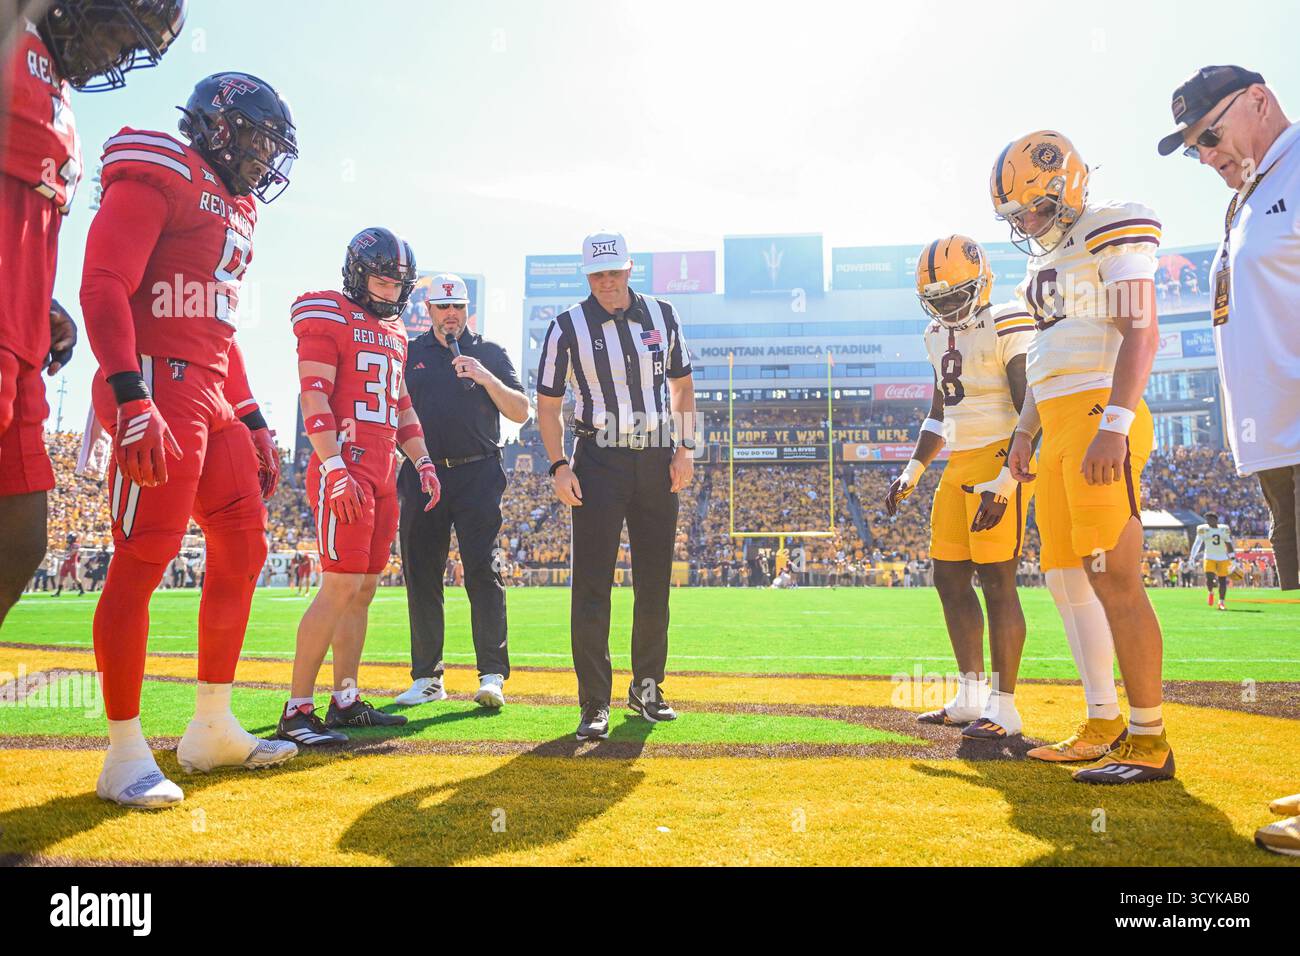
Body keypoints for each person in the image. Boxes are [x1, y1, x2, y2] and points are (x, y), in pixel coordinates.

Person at [78, 71, 298, 807]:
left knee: (246, 543)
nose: (267, 161)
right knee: (146, 556)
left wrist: (255, 416)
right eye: (262, 141)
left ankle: (211, 726)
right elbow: (104, 281)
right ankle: (123, 752)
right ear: (221, 125)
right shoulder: (159, 168)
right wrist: (126, 392)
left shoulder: (238, 208)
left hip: (209, 385)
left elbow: (218, 323)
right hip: (151, 377)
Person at [991, 129, 1172, 783]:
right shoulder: (1047, 265)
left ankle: (1149, 740)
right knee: (1068, 578)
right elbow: (1048, 359)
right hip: (1062, 424)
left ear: (1062, 186)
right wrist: (1024, 433)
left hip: (1101, 414)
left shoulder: (1109, 227)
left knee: (1115, 578)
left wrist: (1115, 426)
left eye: (1030, 208)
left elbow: (1141, 330)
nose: (1025, 223)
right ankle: (1103, 721)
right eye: (1015, 215)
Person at [0, 0, 185, 630]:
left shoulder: (58, 93)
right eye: (115, 28)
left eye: (134, 44)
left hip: (22, 342)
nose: (117, 53)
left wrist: (38, 300)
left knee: (21, 542)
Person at [274, 228, 441, 747]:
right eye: (381, 280)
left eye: (398, 284)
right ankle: (297, 709)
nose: (389, 292)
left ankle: (344, 699)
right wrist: (333, 467)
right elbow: (314, 397)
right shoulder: (327, 312)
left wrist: (424, 461)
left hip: (384, 471)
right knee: (340, 585)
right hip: (344, 465)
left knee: (364, 590)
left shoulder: (394, 334)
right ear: (355, 271)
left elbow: (402, 406)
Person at [535, 231, 697, 741]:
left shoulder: (663, 315)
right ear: (588, 276)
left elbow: (683, 385)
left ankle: (648, 686)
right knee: (591, 585)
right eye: (597, 274)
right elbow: (547, 404)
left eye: (614, 272)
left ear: (630, 270)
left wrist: (685, 447)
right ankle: (593, 702)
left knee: (653, 582)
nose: (607, 282)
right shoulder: (565, 327)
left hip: (654, 457)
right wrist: (559, 465)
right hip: (598, 459)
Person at [1158, 65, 1300, 592]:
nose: (1207, 156)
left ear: (1259, 100)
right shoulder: (1245, 196)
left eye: (1209, 136)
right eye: (1196, 149)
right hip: (1278, 450)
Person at [886, 236, 1035, 739]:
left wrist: (1006, 482)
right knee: (948, 578)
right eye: (939, 298)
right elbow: (939, 411)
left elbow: (1029, 409)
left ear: (983, 279)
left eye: (956, 295)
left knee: (997, 580)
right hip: (959, 460)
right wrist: (913, 469)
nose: (949, 306)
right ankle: (970, 697)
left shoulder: (1007, 320)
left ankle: (1005, 706)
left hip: (1004, 452)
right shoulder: (934, 334)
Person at [394, 274, 529, 710]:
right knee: (422, 576)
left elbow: (521, 411)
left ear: (468, 309)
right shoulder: (408, 353)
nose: (450, 315)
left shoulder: (489, 351)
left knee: (483, 573)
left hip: (478, 474)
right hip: (423, 473)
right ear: (428, 310)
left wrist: (487, 377)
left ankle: (492, 674)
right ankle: (427, 677)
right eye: (441, 308)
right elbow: (390, 412)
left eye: (457, 308)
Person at [1188, 511, 1234, 609]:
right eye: (1207, 519)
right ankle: (1211, 592)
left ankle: (1221, 602)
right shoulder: (1203, 529)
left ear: (1216, 520)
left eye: (1210, 519)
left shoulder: (1223, 529)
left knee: (1222, 580)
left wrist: (1233, 559)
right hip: (1209, 556)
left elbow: (1229, 544)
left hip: (1223, 558)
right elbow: (1197, 543)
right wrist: (1192, 557)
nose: (1208, 521)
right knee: (1209, 578)